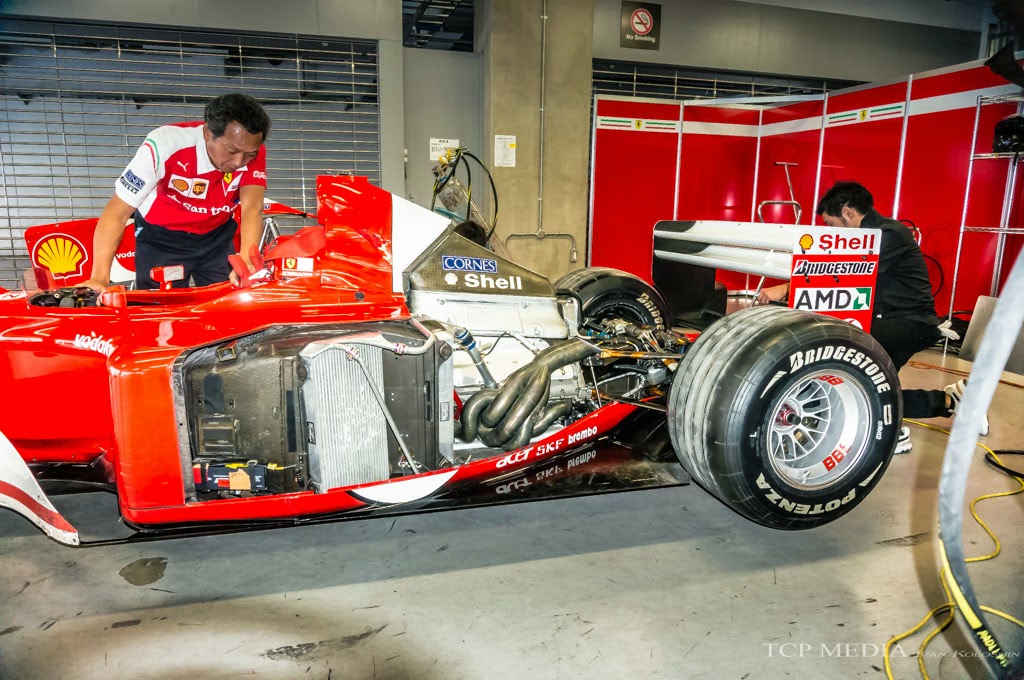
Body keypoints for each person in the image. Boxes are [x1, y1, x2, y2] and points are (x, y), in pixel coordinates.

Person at [756, 181, 986, 451]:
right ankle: (953, 401)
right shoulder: (872, 236)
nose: (830, 232)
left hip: (910, 323)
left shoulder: (886, 236)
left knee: (860, 372)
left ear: (848, 211)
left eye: (831, 224)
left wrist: (784, 288)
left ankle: (893, 429)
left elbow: (841, 275)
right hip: (887, 319)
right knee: (869, 383)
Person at [81, 93, 270, 291]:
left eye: (249, 155)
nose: (239, 162)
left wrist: (247, 262)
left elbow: (252, 208)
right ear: (207, 133)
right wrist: (100, 278)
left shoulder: (253, 150)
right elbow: (116, 213)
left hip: (217, 237)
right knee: (159, 311)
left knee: (231, 300)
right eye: (231, 151)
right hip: (161, 239)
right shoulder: (164, 145)